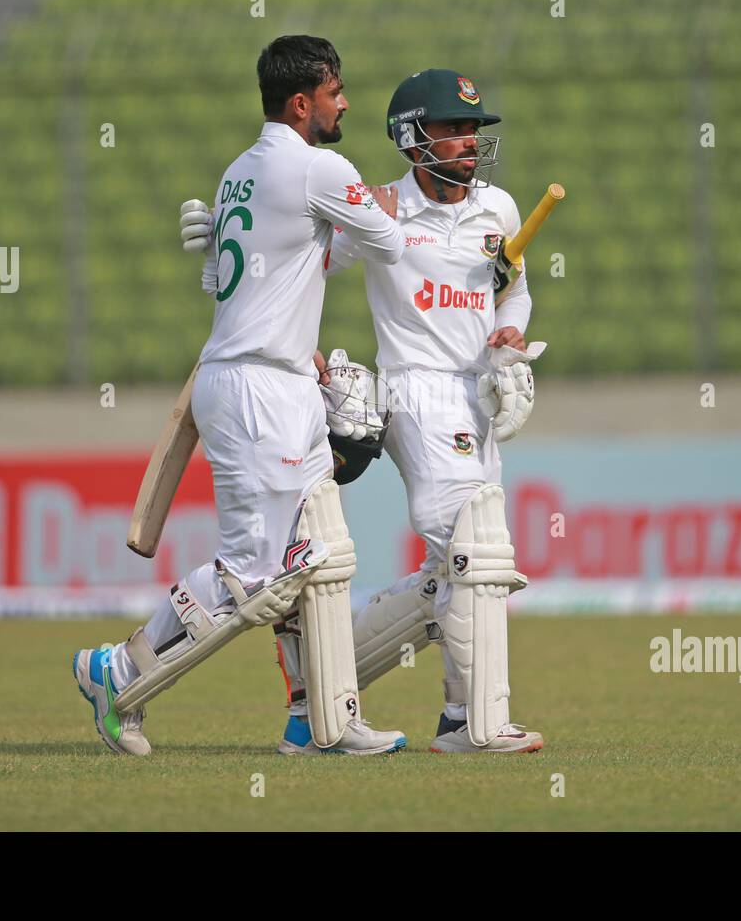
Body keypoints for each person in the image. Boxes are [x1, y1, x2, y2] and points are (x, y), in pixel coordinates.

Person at [183, 68, 545, 754]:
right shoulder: (378, 207)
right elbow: (295, 267)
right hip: (413, 388)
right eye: (454, 128)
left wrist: (510, 332)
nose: (470, 141)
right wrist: (225, 246)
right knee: (470, 543)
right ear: (413, 140)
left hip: (479, 395)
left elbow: (515, 289)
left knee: (458, 568)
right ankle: (475, 726)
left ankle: (330, 689)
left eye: (474, 129)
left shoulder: (498, 209)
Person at [73, 35, 407, 757]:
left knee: (319, 553)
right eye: (335, 91)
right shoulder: (319, 167)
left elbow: (300, 257)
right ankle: (116, 671)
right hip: (259, 386)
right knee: (256, 574)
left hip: (260, 376)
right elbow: (386, 242)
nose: (344, 102)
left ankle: (320, 720)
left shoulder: (238, 173)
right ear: (301, 102)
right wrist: (393, 200)